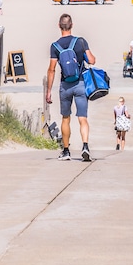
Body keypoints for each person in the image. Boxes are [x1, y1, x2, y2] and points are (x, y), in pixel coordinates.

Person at [46, 13, 97, 162]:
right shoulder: (80, 42)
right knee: (83, 118)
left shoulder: (55, 46)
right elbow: (92, 60)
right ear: (72, 25)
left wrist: (49, 91)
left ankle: (66, 151)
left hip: (65, 85)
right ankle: (85, 146)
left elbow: (52, 69)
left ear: (59, 26)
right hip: (80, 83)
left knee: (65, 119)